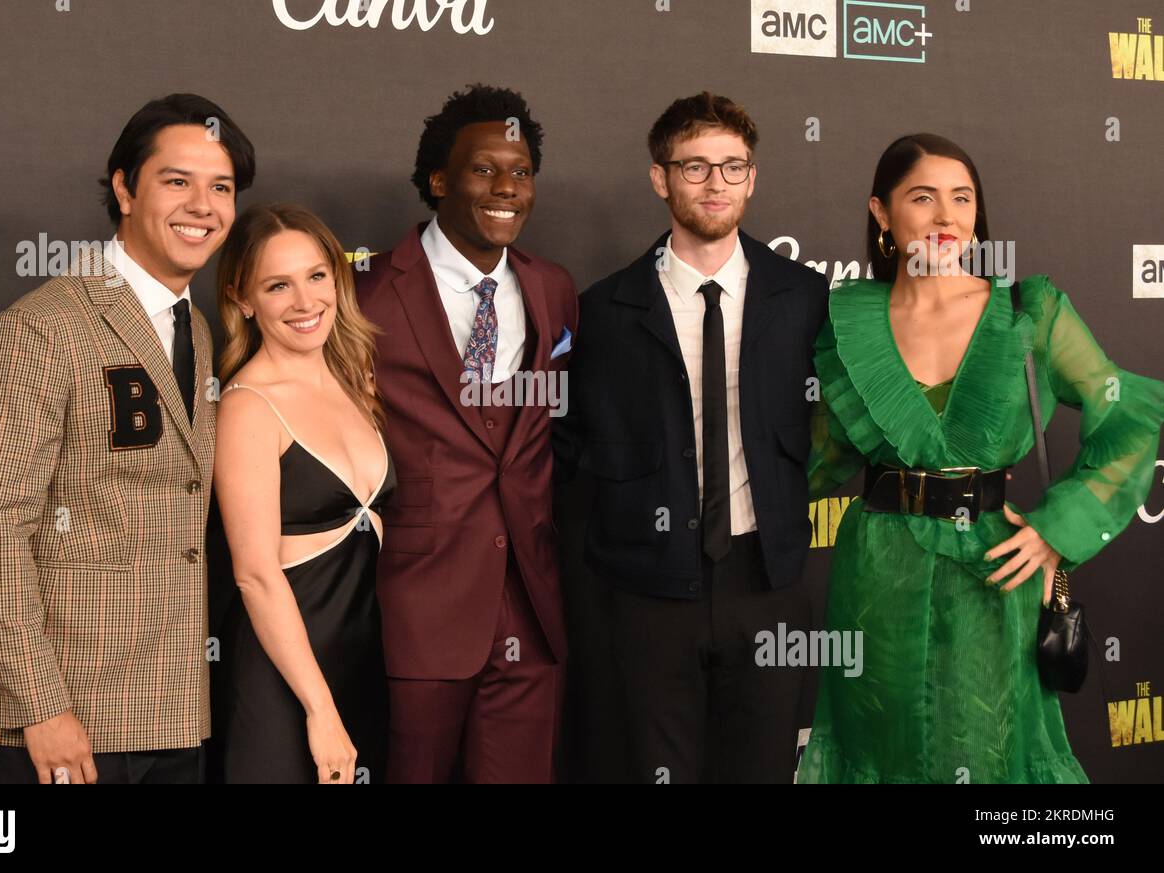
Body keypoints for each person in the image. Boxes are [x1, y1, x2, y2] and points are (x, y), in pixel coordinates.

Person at [798, 133, 1164, 783]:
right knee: (881, 751)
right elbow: (815, 456)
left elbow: (1129, 416)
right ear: (882, 213)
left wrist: (1060, 528)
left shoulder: (1029, 311)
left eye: (962, 198)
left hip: (995, 567)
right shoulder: (847, 322)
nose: (946, 216)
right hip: (877, 574)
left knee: (987, 749)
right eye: (923, 197)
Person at [0, 93, 255, 784]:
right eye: (177, 181)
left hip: (172, 710)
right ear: (123, 187)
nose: (202, 206)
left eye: (221, 188)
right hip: (65, 725)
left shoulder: (199, 332)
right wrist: (41, 707)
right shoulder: (40, 329)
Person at [553, 92, 830, 783]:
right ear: (660, 177)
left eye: (733, 167)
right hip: (646, 594)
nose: (716, 184)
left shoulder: (804, 298)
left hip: (768, 584)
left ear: (753, 177)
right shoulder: (602, 311)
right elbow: (568, 444)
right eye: (696, 166)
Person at [356, 84, 578, 783]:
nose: (506, 187)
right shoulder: (361, 292)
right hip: (417, 606)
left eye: (520, 171)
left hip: (531, 609)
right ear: (439, 178)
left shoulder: (555, 290)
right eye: (484, 169)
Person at [214, 205, 392, 784]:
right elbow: (255, 575)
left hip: (360, 666)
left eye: (317, 276)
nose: (304, 301)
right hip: (284, 682)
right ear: (244, 299)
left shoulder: (355, 377)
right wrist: (319, 710)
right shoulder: (248, 407)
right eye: (277, 285)